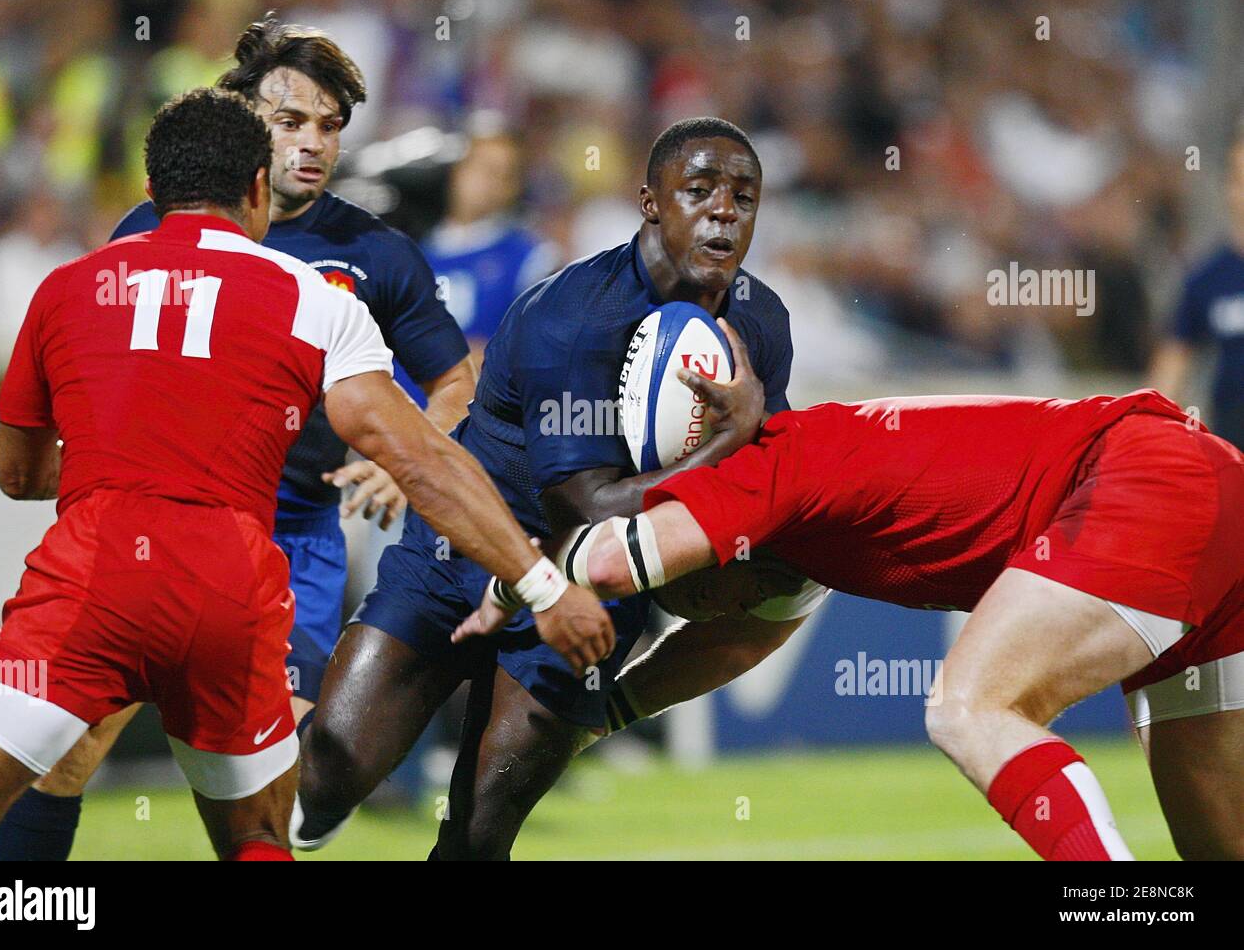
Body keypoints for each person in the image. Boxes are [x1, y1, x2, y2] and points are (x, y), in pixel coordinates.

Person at [0, 87, 612, 863]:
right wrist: (541, 584)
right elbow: (425, 461)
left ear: (152, 194)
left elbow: (18, 471)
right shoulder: (312, 299)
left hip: (93, 574)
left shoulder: (66, 287)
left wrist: (125, 466)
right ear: (259, 188)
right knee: (258, 835)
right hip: (232, 588)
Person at [0, 15, 475, 860]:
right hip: (152, 522)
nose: (313, 144)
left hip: (292, 539)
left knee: (281, 791)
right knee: (69, 751)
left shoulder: (375, 251)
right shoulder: (151, 226)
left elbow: (454, 379)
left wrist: (405, 460)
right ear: (246, 121)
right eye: (291, 122)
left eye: (329, 125)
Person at [294, 117, 804, 859]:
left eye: (744, 196)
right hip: (461, 555)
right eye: (699, 190)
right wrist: (726, 441)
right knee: (325, 777)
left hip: (589, 595)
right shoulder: (571, 317)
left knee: (479, 832)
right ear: (649, 202)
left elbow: (761, 476)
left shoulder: (762, 319)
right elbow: (585, 505)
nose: (724, 209)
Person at [460, 389, 1244, 860]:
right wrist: (606, 717)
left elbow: (606, 564)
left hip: (1144, 481)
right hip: (1212, 488)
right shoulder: (801, 527)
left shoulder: (765, 468)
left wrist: (514, 576)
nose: (700, 607)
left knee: (971, 707)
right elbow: (739, 638)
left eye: (689, 595)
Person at [421, 123, 558, 361]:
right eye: (482, 167)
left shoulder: (532, 260)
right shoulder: (414, 251)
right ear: (457, 170)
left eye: (503, 174)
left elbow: (547, 351)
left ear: (513, 187)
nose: (489, 182)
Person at [1149, 129, 1244, 450]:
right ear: (1228, 187)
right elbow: (1169, 376)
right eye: (1239, 179)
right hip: (1234, 445)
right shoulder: (1206, 278)